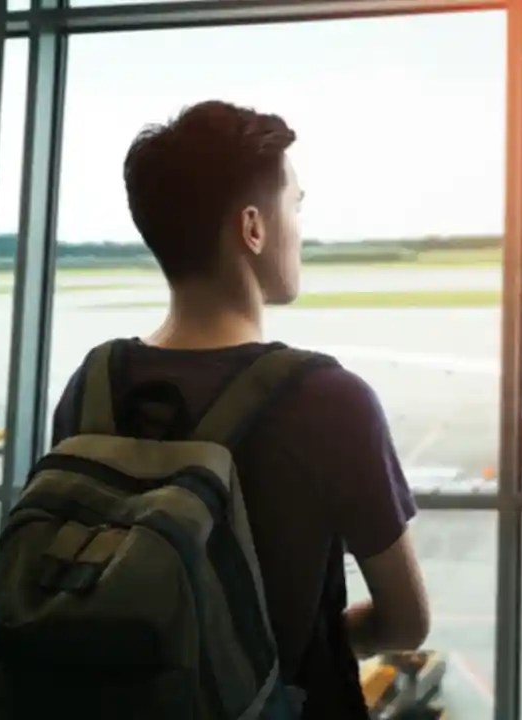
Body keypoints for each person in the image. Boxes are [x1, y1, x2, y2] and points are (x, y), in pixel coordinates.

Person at [48, 100, 430, 718]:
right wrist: (311, 648)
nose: (299, 229)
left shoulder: (89, 385)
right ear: (253, 228)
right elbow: (406, 622)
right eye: (295, 207)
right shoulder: (330, 401)